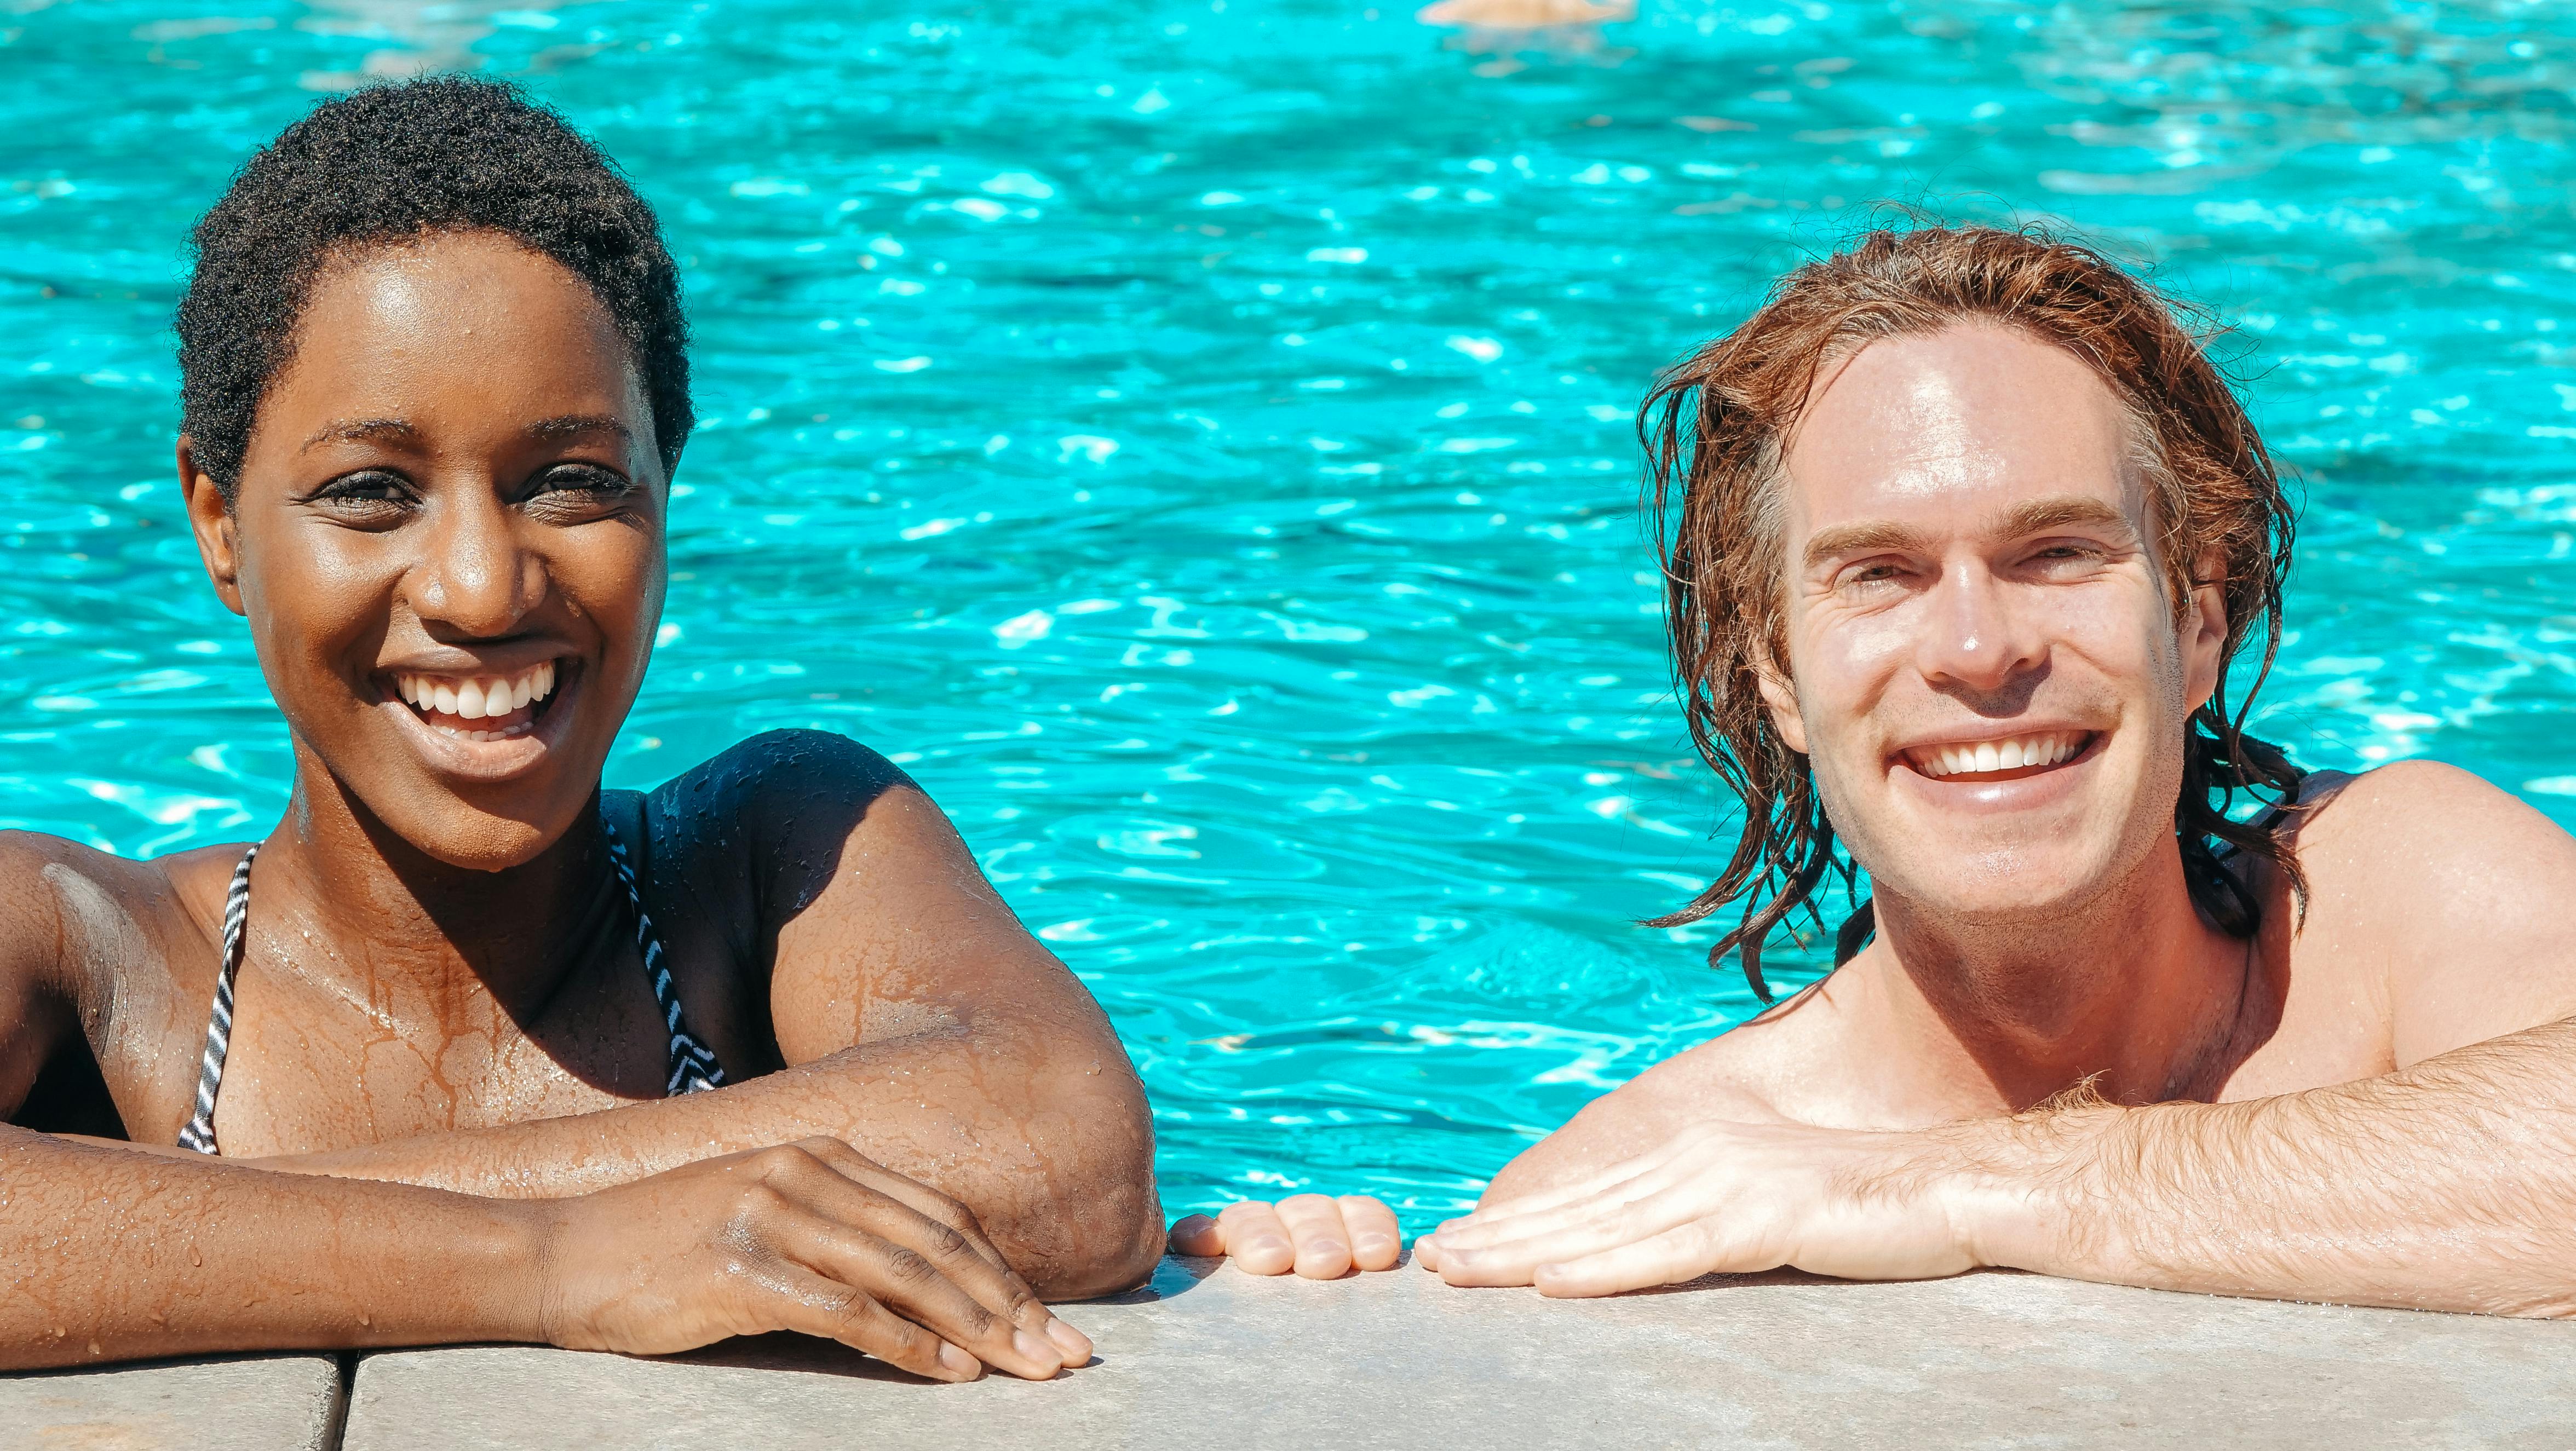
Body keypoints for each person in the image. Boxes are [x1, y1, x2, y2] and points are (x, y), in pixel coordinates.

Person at [1177, 225, 2576, 1318]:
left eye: (2057, 552)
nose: (1977, 649)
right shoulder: (1687, 1172)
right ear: (1775, 672)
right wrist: (1277, 1285)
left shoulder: (2389, 900)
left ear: (2198, 618)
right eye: (1882, 574)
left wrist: (1960, 1183)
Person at [0, 77, 1162, 1375]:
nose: (483, 589)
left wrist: (174, 1226)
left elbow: (1064, 1147)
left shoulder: (772, 853)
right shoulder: (85, 949)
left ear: (668, 490)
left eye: (572, 482)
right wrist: (561, 1255)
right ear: (220, 526)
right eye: (371, 491)